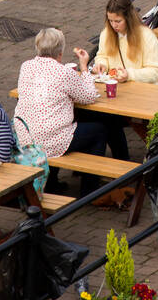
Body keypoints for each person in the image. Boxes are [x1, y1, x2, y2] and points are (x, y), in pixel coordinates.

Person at [14, 28, 107, 192]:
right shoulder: (64, 73)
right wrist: (84, 67)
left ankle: (52, 184)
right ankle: (90, 191)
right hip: (48, 141)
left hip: (25, 136)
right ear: (60, 52)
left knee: (57, 124)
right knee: (99, 130)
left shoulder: (26, 66)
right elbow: (89, 96)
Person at [92, 0, 158, 161]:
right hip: (117, 94)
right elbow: (102, 55)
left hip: (144, 95)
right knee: (99, 116)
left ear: (128, 18)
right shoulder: (107, 33)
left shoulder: (146, 36)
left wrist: (130, 74)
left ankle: (124, 159)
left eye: (118, 21)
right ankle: (120, 159)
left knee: (109, 119)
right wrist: (101, 64)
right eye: (110, 21)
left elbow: (156, 71)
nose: (114, 25)